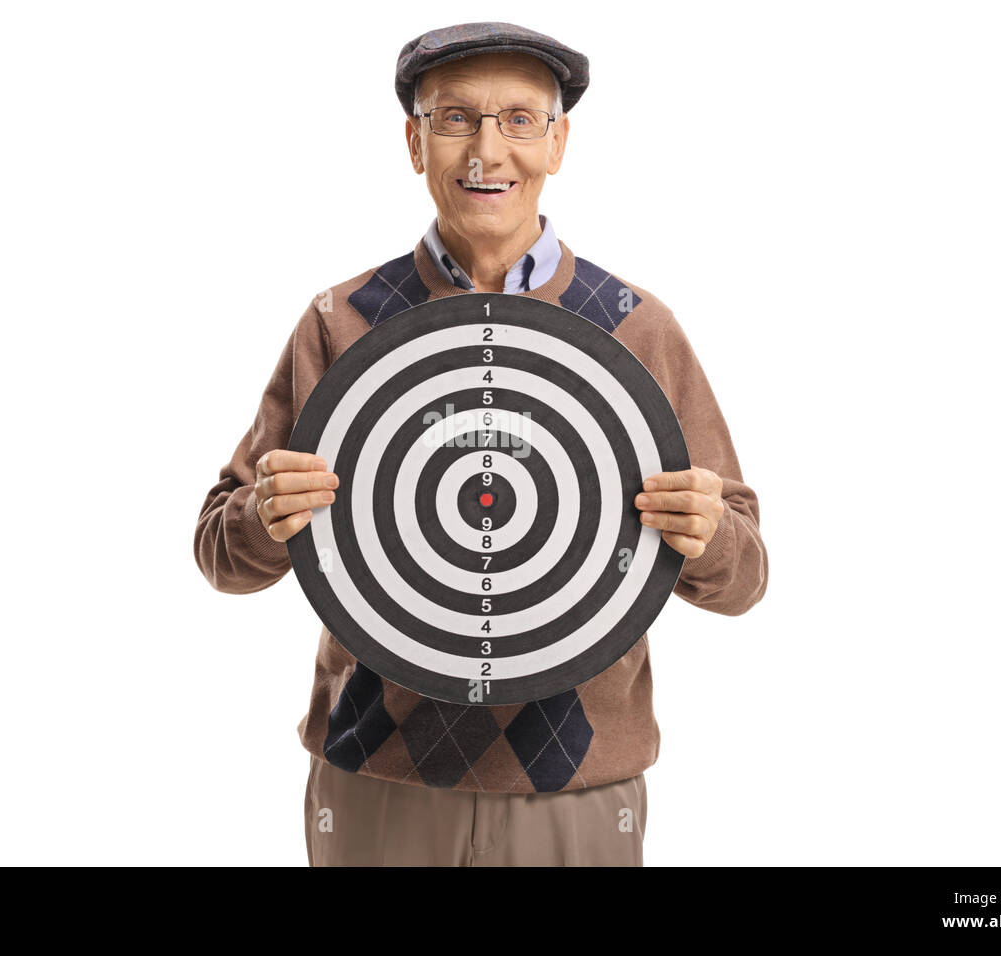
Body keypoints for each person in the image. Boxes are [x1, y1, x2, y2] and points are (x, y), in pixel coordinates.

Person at [193, 21, 769, 866]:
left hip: (578, 789)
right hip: (377, 784)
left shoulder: (639, 331)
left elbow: (745, 574)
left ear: (559, 142)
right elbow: (220, 553)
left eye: (520, 120)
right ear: (414, 142)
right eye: (455, 117)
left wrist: (708, 533)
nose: (487, 150)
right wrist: (260, 515)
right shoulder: (338, 321)